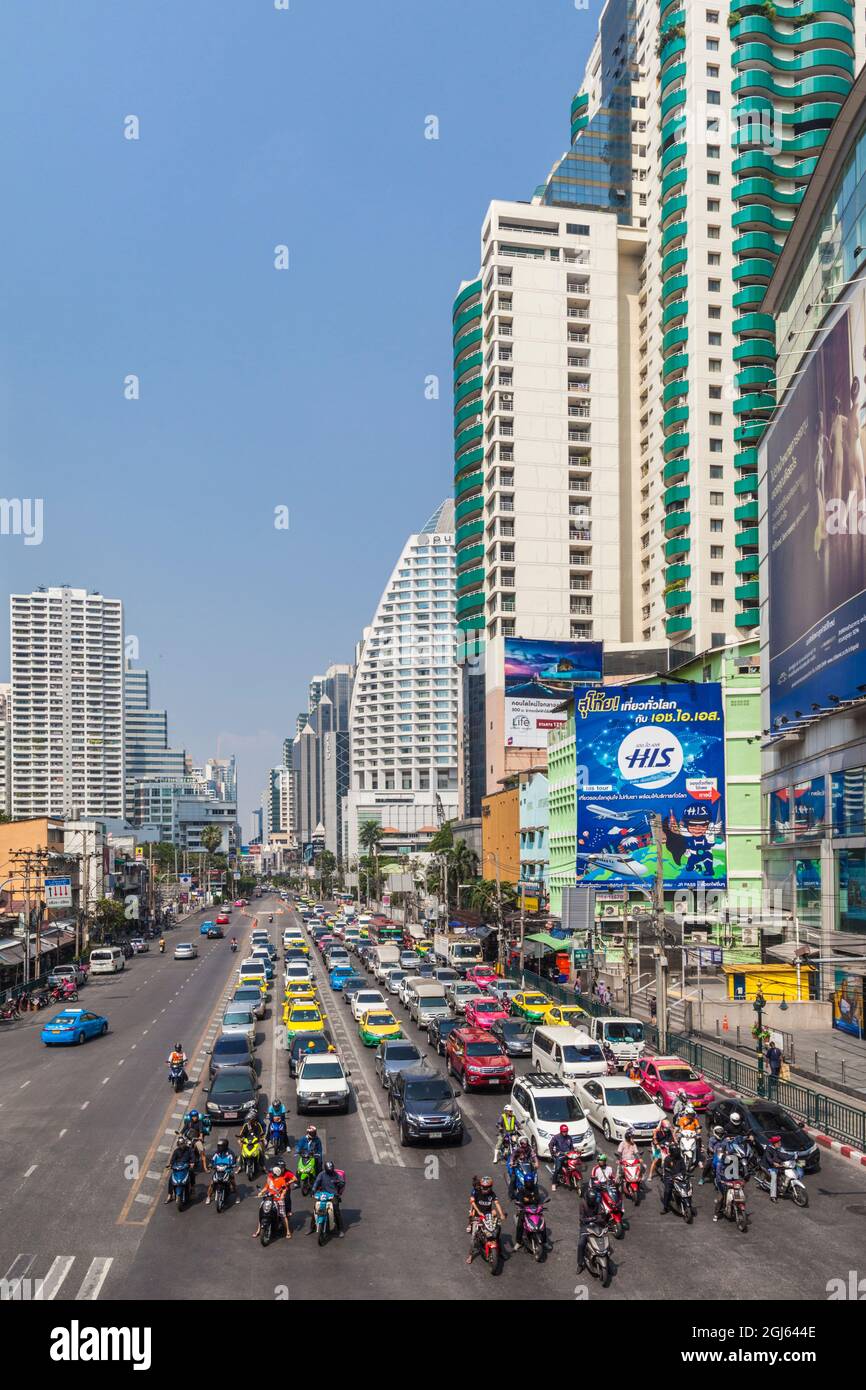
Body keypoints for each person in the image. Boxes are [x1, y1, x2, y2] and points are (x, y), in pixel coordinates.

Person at [466, 1175, 505, 1264]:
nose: (485, 1189)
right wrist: (479, 1212)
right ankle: (470, 1255)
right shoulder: (476, 1191)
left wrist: (501, 1214)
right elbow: (472, 1203)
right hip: (477, 1215)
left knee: (496, 1231)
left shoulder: (492, 1194)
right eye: (483, 1187)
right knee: (473, 1238)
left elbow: (497, 1203)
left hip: (487, 1215)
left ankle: (500, 1251)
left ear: (491, 1187)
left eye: (487, 1187)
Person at [252, 1162, 295, 1240]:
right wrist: (261, 1192)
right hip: (269, 1198)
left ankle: (288, 1231)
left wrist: (282, 1196)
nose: (270, 1174)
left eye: (272, 1173)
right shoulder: (270, 1179)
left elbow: (285, 1189)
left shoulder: (282, 1180)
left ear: (275, 1173)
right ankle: (258, 1230)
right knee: (262, 1212)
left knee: (282, 1215)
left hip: (278, 1199)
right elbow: (266, 1187)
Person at [311, 1159, 346, 1237]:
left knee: (336, 1210)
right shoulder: (321, 1174)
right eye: (329, 1171)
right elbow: (316, 1182)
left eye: (331, 1170)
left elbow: (342, 1182)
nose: (330, 1172)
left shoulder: (337, 1175)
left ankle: (340, 1229)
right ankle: (312, 1228)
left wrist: (339, 1183)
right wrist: (313, 1189)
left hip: (333, 1195)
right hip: (323, 1194)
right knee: (316, 1208)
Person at [576, 1189, 603, 1274]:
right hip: (585, 1226)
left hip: (596, 1225)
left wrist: (593, 1219)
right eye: (591, 1200)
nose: (592, 1202)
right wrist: (593, 1218)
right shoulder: (582, 1203)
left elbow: (600, 1216)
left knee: (603, 1240)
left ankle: (606, 1260)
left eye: (593, 1200)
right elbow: (582, 1218)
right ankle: (580, 1264)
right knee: (581, 1244)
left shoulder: (597, 1203)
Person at [207, 1138, 237, 1206]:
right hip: (218, 1170)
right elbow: (212, 1160)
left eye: (221, 1146)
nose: (219, 1147)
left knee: (233, 1182)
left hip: (227, 1170)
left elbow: (233, 1161)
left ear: (225, 1146)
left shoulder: (230, 1152)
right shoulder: (216, 1153)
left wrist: (233, 1165)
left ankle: (237, 1196)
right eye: (219, 1146)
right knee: (212, 1183)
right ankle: (208, 1197)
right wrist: (211, 1165)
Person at [659, 1139, 686, 1214]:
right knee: (667, 1191)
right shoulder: (667, 1159)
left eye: (677, 1150)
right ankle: (665, 1207)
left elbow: (683, 1168)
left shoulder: (681, 1159)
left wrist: (684, 1174)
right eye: (675, 1151)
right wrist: (671, 1176)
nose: (677, 1152)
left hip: (680, 1177)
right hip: (670, 1178)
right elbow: (666, 1170)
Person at [164, 1136, 194, 1203]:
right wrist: (170, 1165)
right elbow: (172, 1160)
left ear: (184, 1143)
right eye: (180, 1144)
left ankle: (192, 1188)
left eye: (182, 1144)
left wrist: (192, 1163)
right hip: (177, 1167)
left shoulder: (189, 1150)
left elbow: (192, 1157)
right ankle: (170, 1195)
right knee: (171, 1179)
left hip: (186, 1166)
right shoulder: (176, 1151)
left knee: (191, 1173)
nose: (181, 1145)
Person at [549, 1124, 577, 1191]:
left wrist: (574, 1152)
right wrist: (553, 1153)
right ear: (561, 1131)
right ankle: (554, 1183)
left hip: (568, 1155)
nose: (565, 1133)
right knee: (558, 1168)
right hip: (560, 1155)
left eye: (566, 1131)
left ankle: (571, 1178)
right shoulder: (556, 1137)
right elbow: (550, 1145)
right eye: (564, 1131)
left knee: (575, 1164)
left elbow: (571, 1147)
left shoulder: (569, 1137)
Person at [649, 1114, 675, 1183]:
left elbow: (671, 1139)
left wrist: (673, 1143)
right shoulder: (656, 1131)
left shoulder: (668, 1131)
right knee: (656, 1159)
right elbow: (655, 1140)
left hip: (666, 1146)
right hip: (657, 1146)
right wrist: (658, 1145)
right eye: (665, 1128)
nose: (666, 1129)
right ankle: (650, 1175)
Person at [762, 1134, 785, 1202]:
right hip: (769, 1166)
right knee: (774, 1178)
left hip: (777, 1164)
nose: (780, 1143)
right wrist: (774, 1163)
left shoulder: (780, 1148)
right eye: (779, 1142)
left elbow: (783, 1154)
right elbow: (769, 1159)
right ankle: (773, 1196)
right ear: (775, 1144)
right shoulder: (768, 1149)